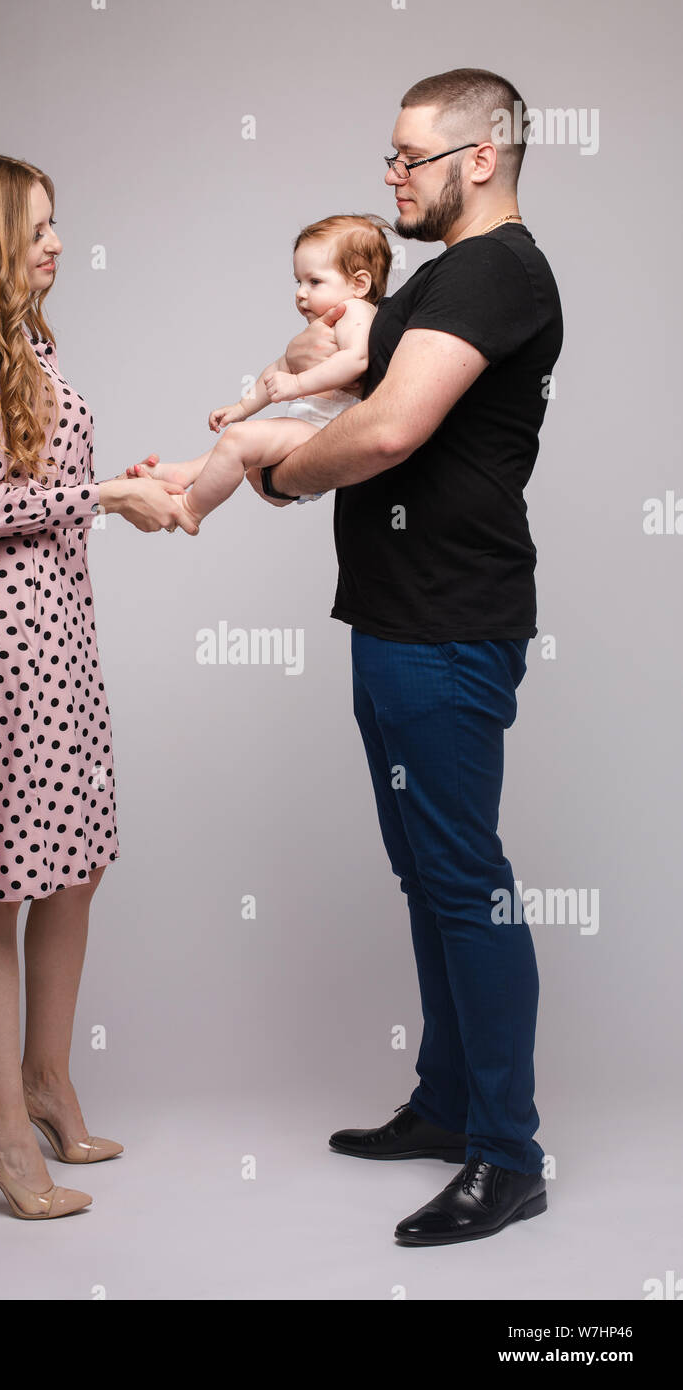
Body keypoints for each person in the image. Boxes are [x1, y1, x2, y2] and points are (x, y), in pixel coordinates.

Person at [245, 68, 564, 1246]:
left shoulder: (498, 269)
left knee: (464, 883)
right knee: (428, 880)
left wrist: (276, 468)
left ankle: (506, 1154)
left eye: (406, 157)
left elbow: (387, 429)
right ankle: (445, 1105)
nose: (388, 180)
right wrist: (283, 392)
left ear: (479, 157)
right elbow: (353, 380)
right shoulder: (445, 276)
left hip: (446, 625)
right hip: (392, 616)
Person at [0, 151, 196, 1220]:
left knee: (73, 864)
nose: (57, 242)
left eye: (57, 223)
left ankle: (46, 1078)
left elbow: (36, 484)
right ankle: (3, 1136)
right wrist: (107, 497)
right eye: (36, 228)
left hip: (53, 625)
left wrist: (122, 484)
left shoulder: (23, 340)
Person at [125, 215, 391, 524]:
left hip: (331, 435)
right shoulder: (329, 321)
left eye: (314, 281)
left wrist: (297, 384)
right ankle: (186, 472)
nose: (301, 293)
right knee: (237, 442)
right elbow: (280, 367)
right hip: (313, 428)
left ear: (359, 284)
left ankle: (191, 509)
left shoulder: (357, 311)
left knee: (239, 440)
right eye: (299, 282)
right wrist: (241, 407)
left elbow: (355, 360)